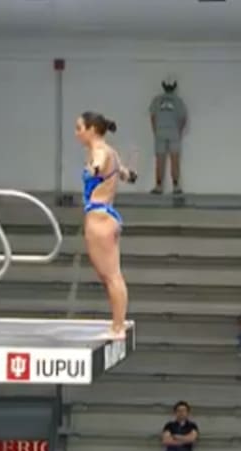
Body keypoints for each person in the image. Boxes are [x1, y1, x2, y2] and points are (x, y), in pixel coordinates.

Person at [75, 111, 138, 339]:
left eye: (79, 128)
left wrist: (94, 169)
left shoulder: (100, 152)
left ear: (91, 129)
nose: (77, 133)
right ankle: (117, 323)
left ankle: (118, 327)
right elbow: (124, 175)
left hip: (99, 219)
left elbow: (99, 164)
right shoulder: (112, 152)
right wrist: (130, 175)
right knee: (109, 275)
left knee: (112, 276)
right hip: (106, 216)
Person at [149, 76, 187, 195]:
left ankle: (158, 186)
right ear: (174, 87)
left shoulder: (156, 100)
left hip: (160, 132)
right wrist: (179, 132)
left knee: (160, 160)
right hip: (173, 132)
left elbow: (153, 117)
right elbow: (183, 118)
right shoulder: (178, 101)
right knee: (174, 159)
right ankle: (176, 186)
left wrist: (155, 131)